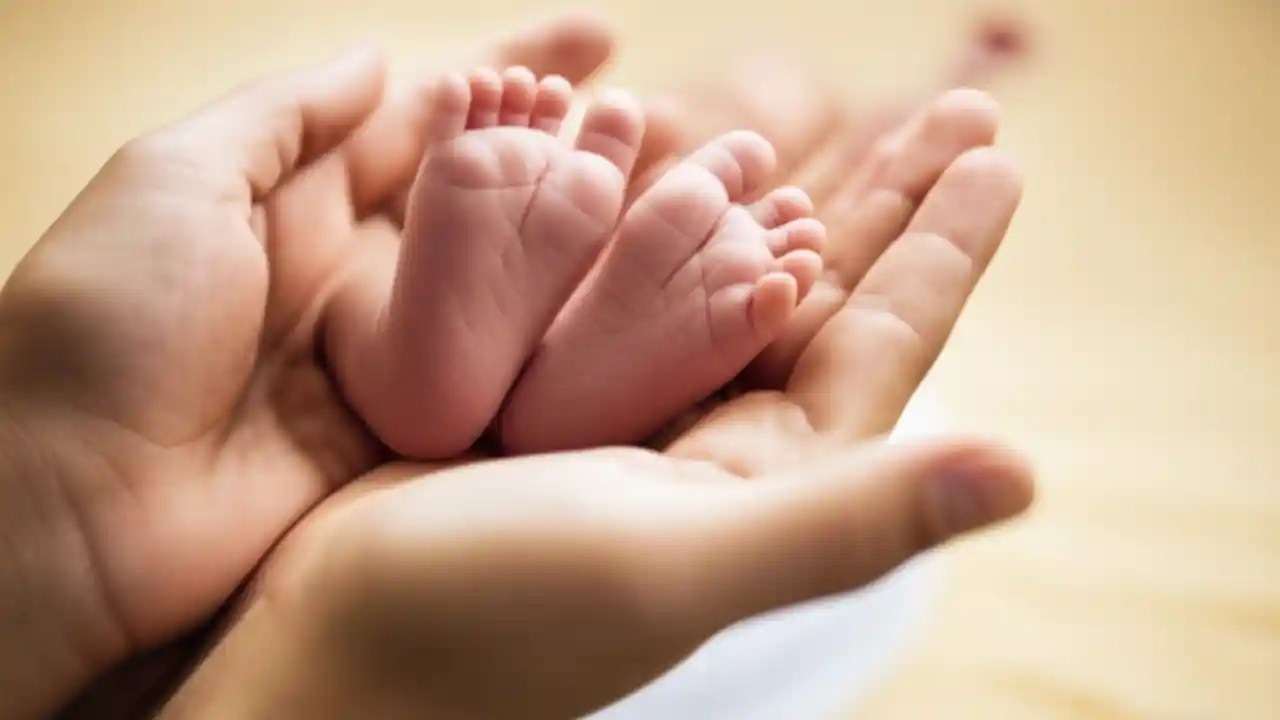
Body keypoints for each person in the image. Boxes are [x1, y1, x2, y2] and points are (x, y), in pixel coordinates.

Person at [0, 11, 1030, 720]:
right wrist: (965, 68)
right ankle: (578, 383)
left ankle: (440, 354)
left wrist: (42, 487)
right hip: (601, 607)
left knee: (355, 293)